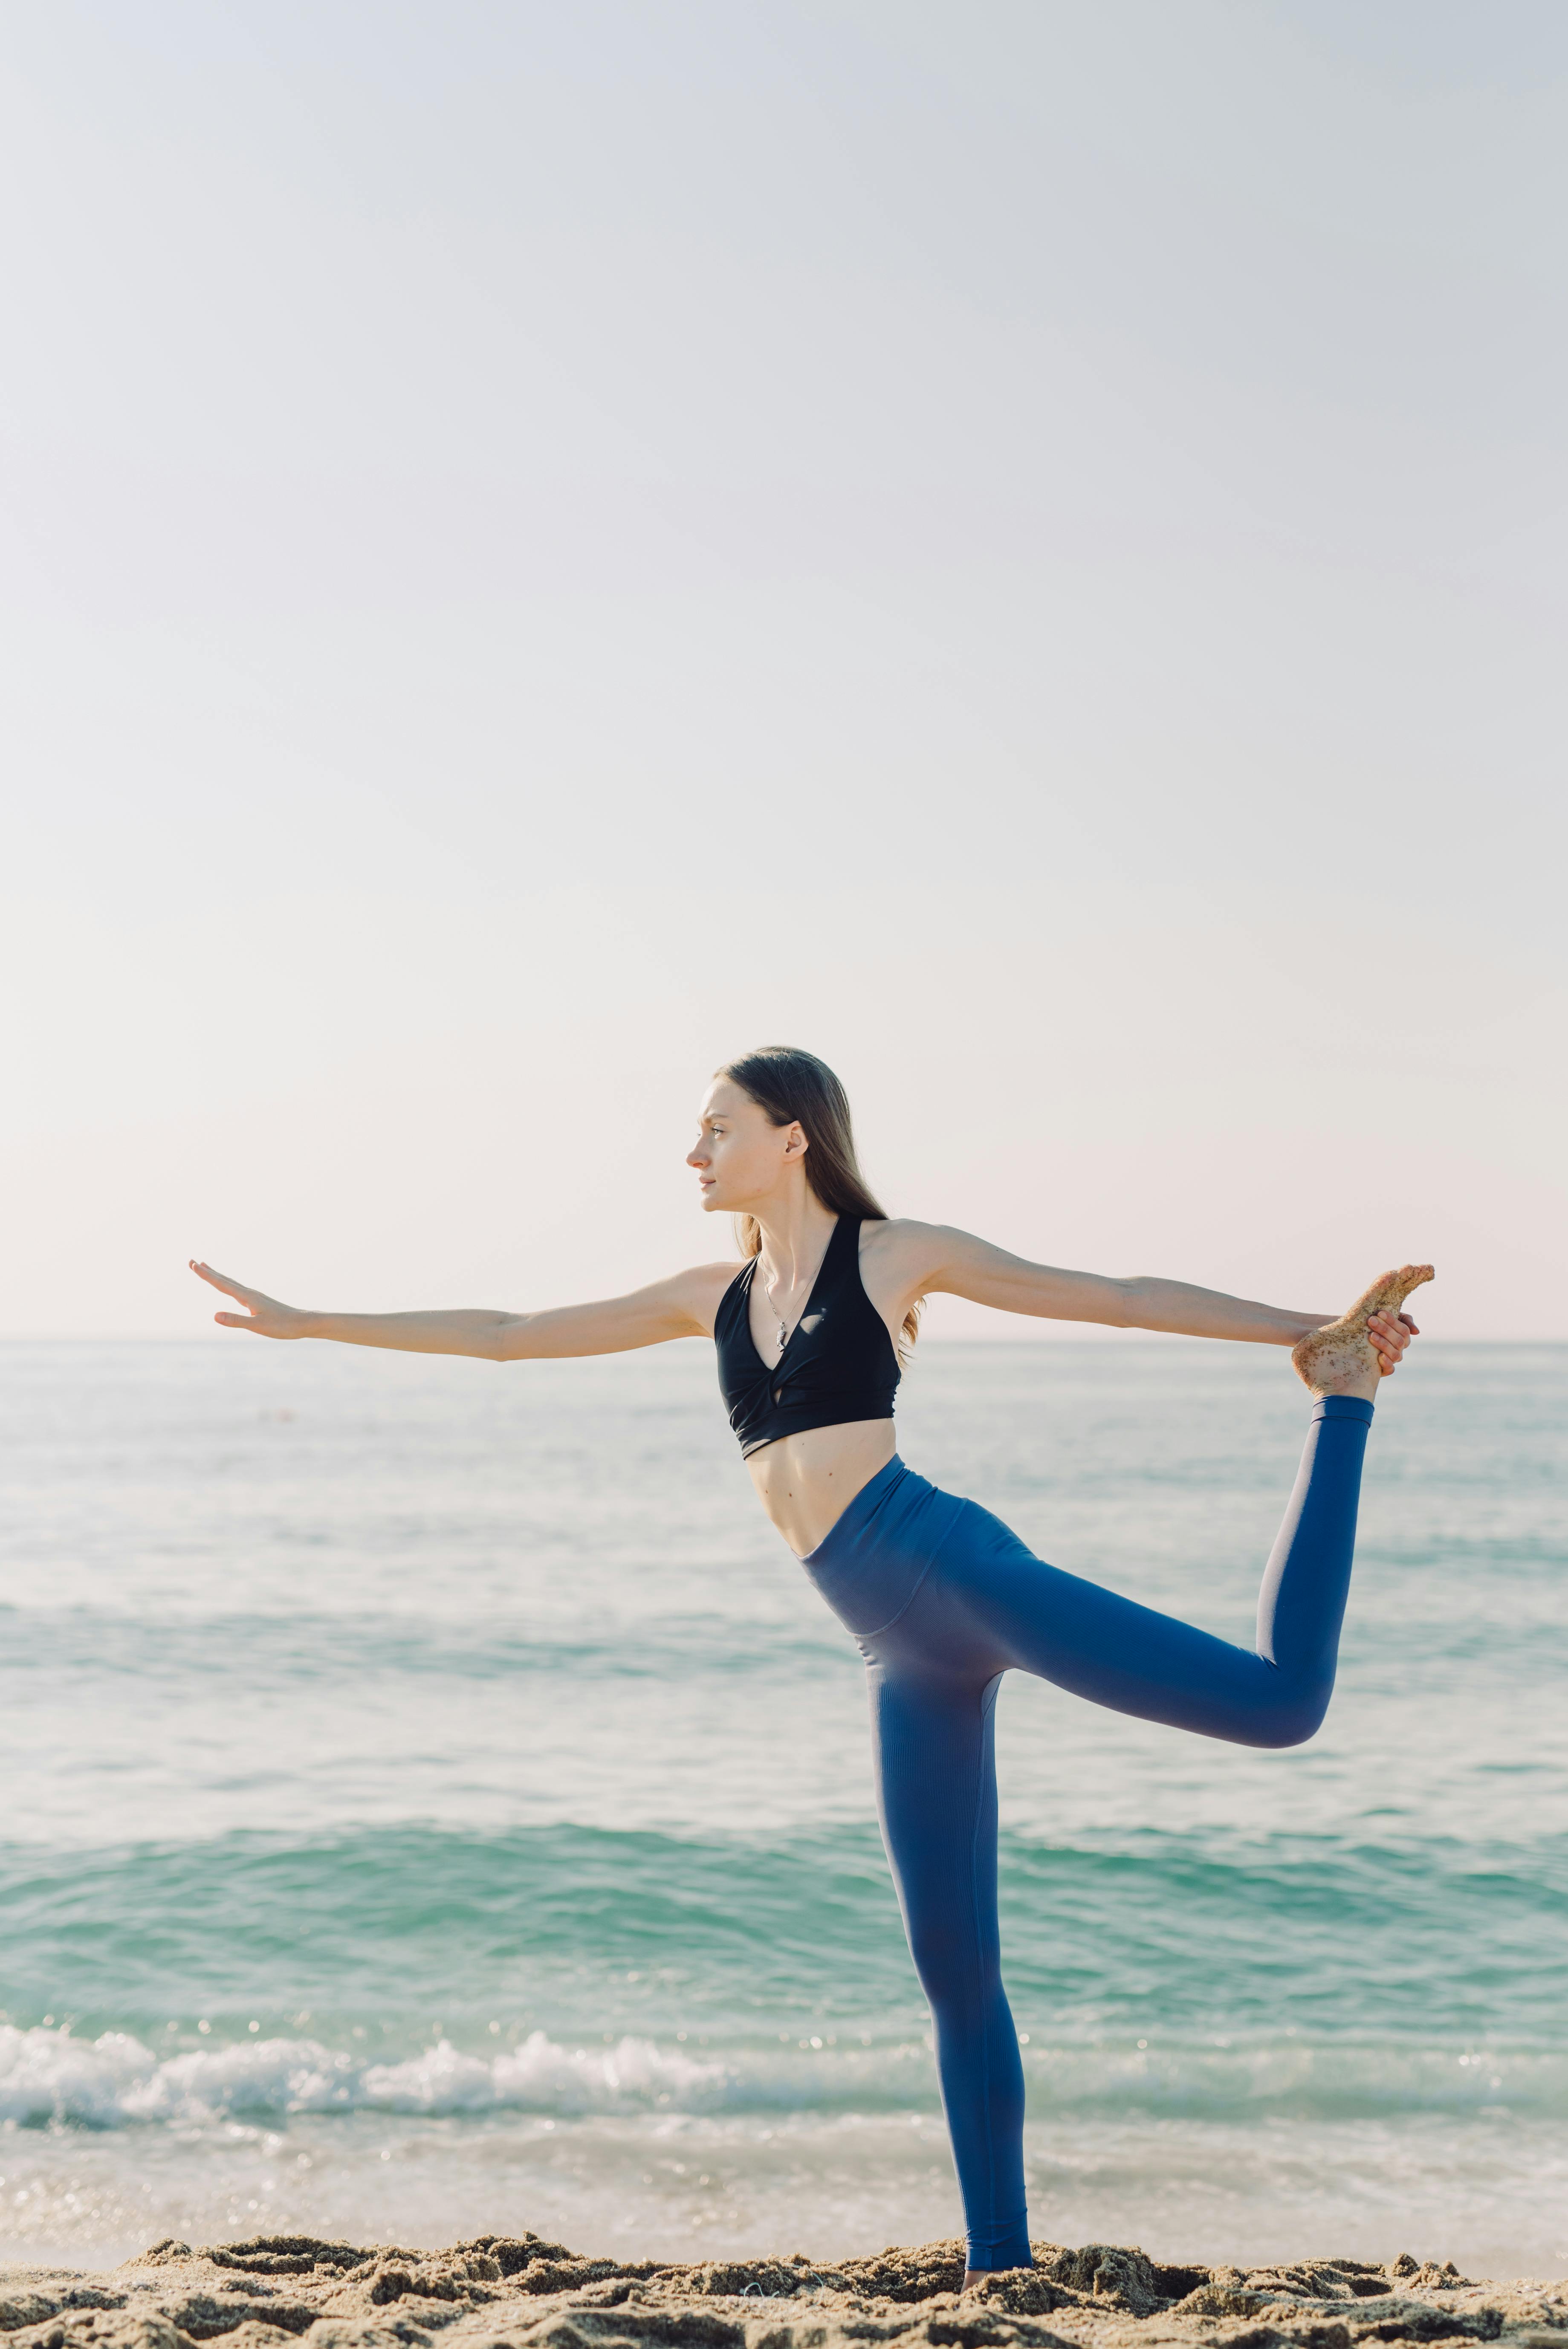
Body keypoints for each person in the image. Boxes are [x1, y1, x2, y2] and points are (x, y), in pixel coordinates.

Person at [191, 1044, 1427, 2285]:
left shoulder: (892, 1256)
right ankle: (1000, 2267)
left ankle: (1347, 1400)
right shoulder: (707, 1296)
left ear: (793, 1137)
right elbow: (510, 1334)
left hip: (952, 1568)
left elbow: (1112, 1294)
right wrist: (311, 1321)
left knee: (1281, 1706)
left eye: (715, 1129)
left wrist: (1309, 1334)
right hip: (892, 1648)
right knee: (953, 1965)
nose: (692, 1153)